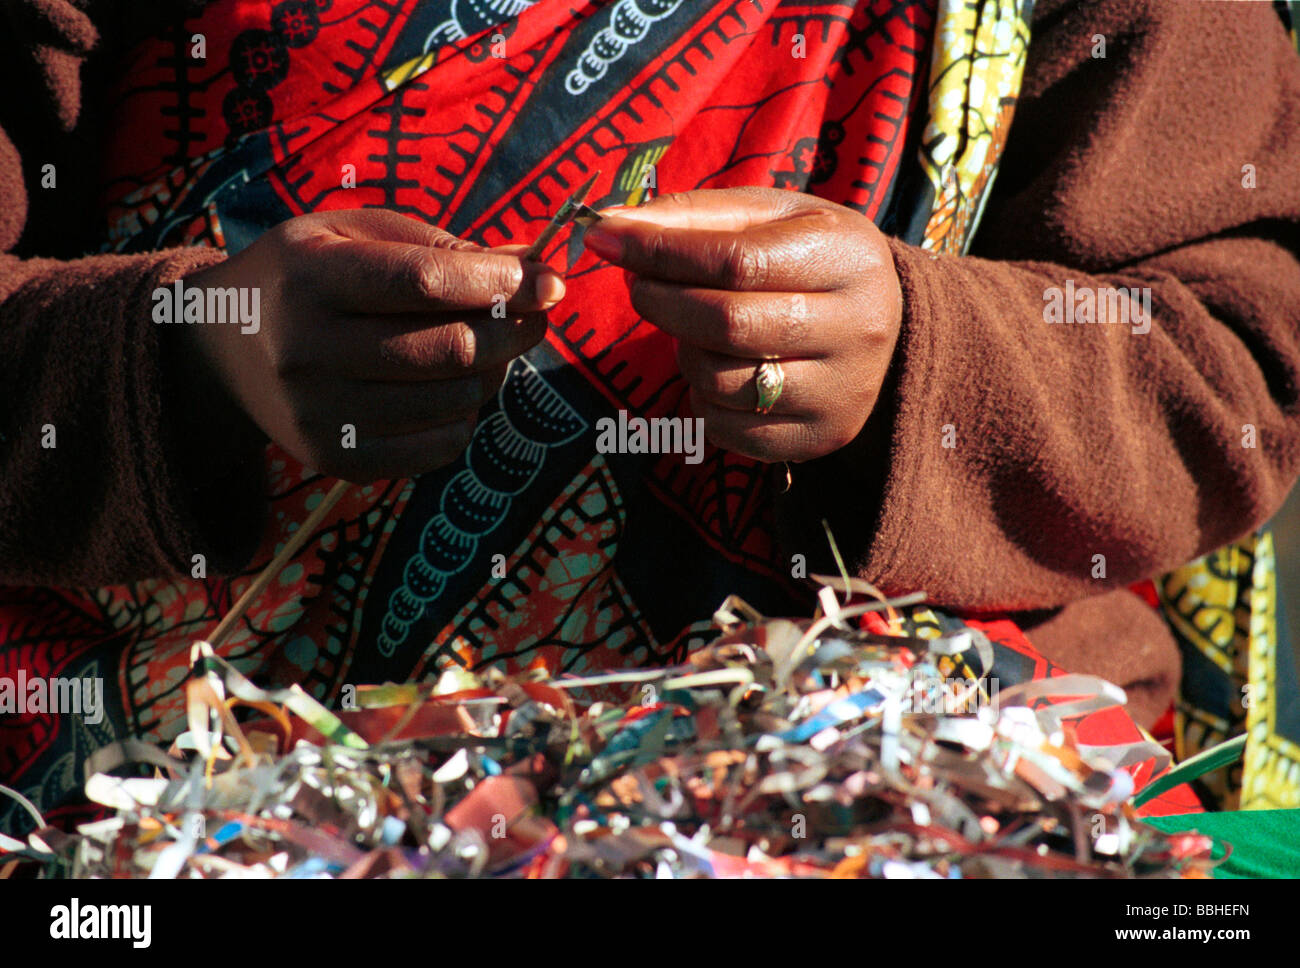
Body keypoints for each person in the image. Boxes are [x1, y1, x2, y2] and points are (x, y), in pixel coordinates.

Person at [2, 0, 1298, 832]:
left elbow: (1237, 371)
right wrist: (198, 349)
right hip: (163, 813)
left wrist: (917, 359)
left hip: (890, 808)